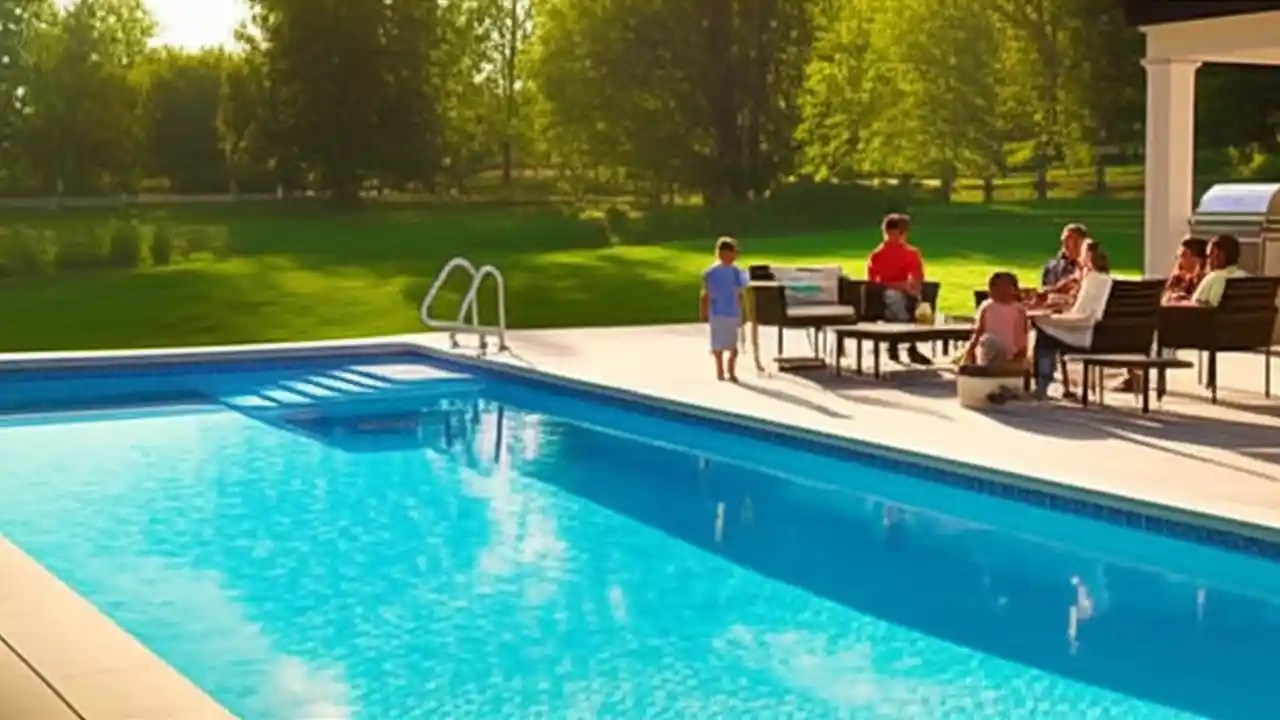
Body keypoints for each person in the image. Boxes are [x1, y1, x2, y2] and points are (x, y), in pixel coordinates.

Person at [1031, 239, 1113, 400]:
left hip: (1088, 337)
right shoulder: (1109, 282)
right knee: (1046, 325)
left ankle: (1042, 385)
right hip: (1119, 339)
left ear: (1088, 257)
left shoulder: (1093, 280)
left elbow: (1082, 318)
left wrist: (1047, 318)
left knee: (1043, 330)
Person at [867, 213, 931, 365]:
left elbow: (916, 274)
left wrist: (912, 286)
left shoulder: (911, 253)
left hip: (906, 292)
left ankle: (897, 343)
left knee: (911, 301)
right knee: (894, 298)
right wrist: (901, 285)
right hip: (885, 295)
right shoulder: (877, 255)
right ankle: (908, 342)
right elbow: (876, 282)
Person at [700, 236, 747, 382]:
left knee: (733, 346)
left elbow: (740, 293)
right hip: (717, 312)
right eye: (732, 253)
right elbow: (706, 293)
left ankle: (731, 370)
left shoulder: (736, 272)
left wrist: (743, 312)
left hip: (732, 311)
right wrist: (703, 311)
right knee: (718, 345)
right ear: (723, 253)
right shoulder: (711, 273)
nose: (735, 256)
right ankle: (720, 370)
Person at [962, 272, 1029, 372]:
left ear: (1014, 290)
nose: (1001, 291)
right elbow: (979, 330)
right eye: (997, 287)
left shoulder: (1018, 310)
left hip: (1012, 353)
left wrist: (1021, 351)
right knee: (990, 341)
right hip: (990, 351)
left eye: (1006, 287)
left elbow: (1022, 332)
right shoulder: (987, 307)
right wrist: (970, 350)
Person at [1188, 233, 1248, 308]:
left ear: (1218, 254)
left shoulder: (1213, 277)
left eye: (1209, 255)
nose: (1208, 261)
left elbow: (1194, 307)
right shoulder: (1246, 278)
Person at [1041, 223, 1088, 292]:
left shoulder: (1087, 267)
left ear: (1081, 241)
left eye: (1070, 238)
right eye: (1064, 238)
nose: (1064, 241)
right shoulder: (1052, 266)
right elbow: (1044, 290)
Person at [1163, 236, 1209, 304]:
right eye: (1178, 256)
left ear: (1198, 260)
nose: (1179, 260)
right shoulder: (1177, 279)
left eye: (1183, 255)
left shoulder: (1205, 281)